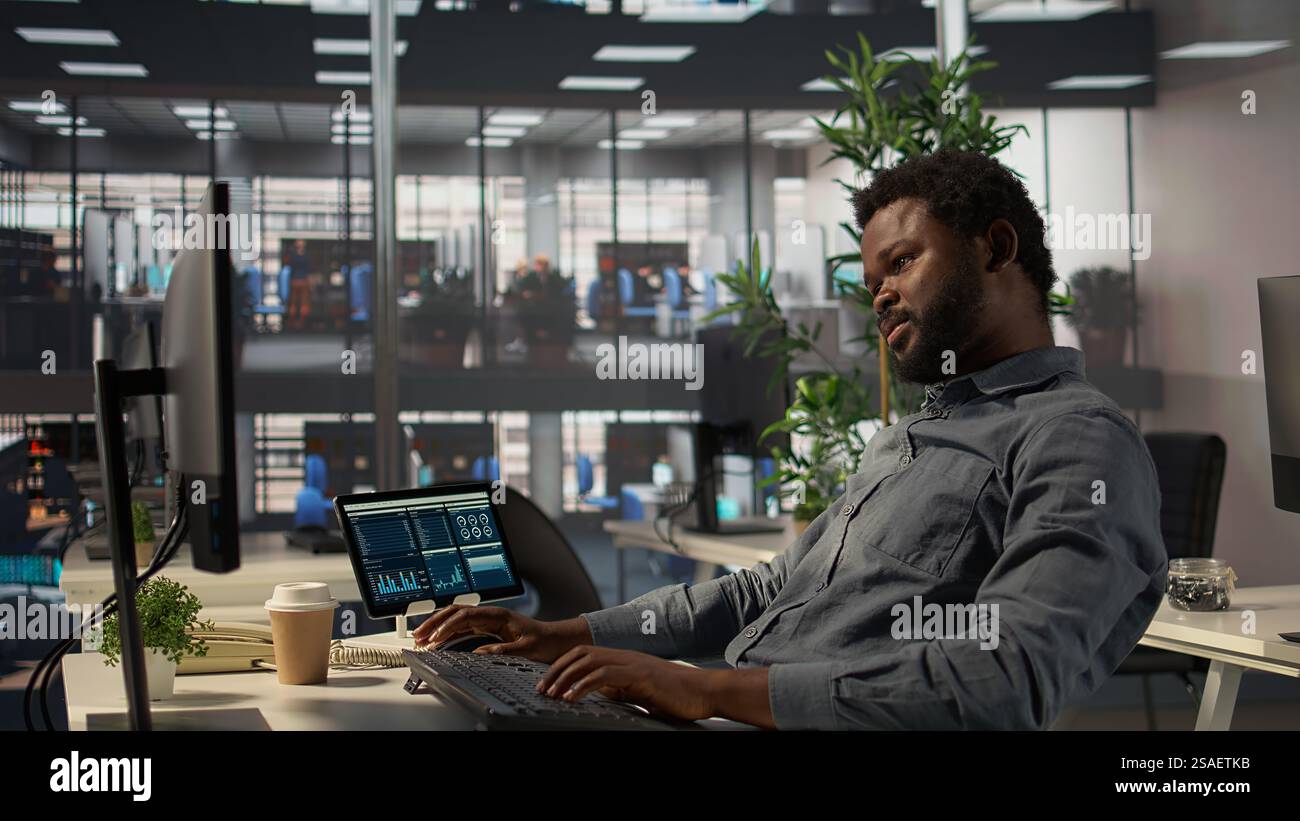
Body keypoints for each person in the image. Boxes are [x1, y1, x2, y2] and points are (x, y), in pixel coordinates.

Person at [414, 149, 1168, 730]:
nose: (880, 295)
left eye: (903, 261)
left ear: (996, 248)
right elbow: (769, 590)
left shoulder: (1077, 440)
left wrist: (707, 689)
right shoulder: (909, 438)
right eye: (872, 280)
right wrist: (556, 635)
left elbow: (1006, 681)